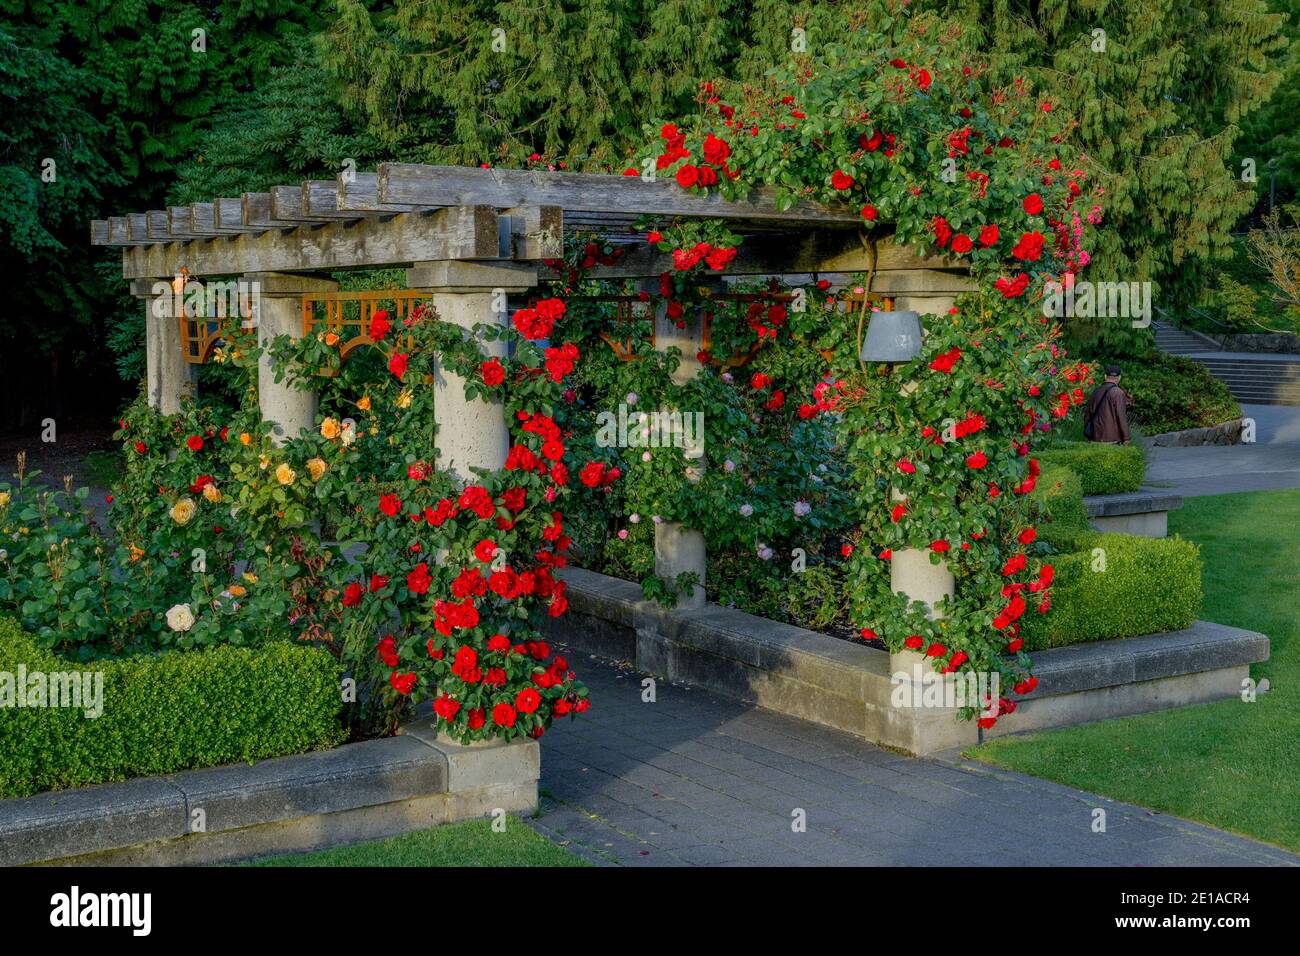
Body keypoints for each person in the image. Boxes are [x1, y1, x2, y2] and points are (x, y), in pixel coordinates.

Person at [1084, 364, 1130, 445]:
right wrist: (1126, 438)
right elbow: (1121, 416)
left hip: (1094, 438)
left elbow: (1087, 415)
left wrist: (1089, 432)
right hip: (1112, 439)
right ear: (1119, 377)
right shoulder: (1118, 393)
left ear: (1105, 376)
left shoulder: (1096, 391)